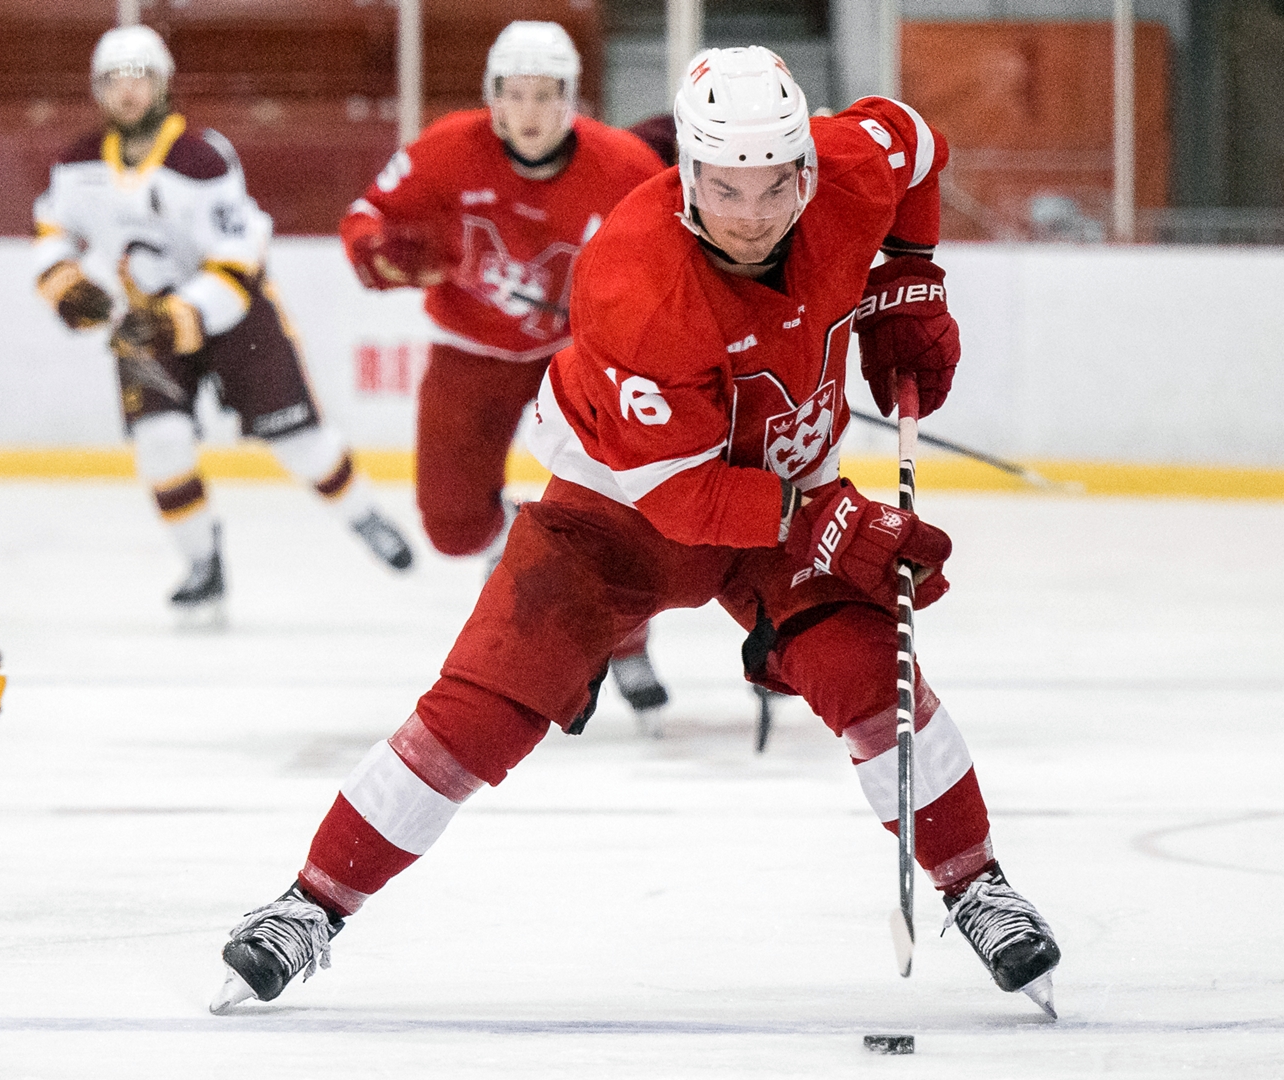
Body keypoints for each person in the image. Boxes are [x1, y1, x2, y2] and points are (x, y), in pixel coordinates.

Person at [208, 46, 1058, 1017]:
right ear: (687, 174)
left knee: (875, 674)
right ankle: (311, 903)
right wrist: (828, 523)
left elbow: (912, 141)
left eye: (775, 184)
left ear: (808, 170)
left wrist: (910, 276)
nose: (750, 213)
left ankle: (977, 881)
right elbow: (683, 500)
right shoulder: (633, 282)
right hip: (615, 515)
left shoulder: (848, 169)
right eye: (724, 188)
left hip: (785, 489)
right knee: (488, 698)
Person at [340, 21, 673, 719]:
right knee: (451, 526)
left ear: (572, 98)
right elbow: (366, 216)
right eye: (515, 94)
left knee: (621, 506)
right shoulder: (448, 149)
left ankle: (630, 639)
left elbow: (678, 258)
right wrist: (380, 252)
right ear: (493, 96)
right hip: (473, 348)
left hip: (579, 358)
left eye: (546, 94)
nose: (529, 111)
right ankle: (521, 534)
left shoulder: (623, 166)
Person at [32, 26, 415, 626]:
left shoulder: (202, 158)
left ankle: (362, 512)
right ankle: (202, 565)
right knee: (160, 444)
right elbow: (54, 236)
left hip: (233, 317)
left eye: (140, 78)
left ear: (162, 85)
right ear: (98, 90)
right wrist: (66, 286)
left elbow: (238, 263)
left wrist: (180, 316)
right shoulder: (77, 164)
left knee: (299, 443)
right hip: (143, 323)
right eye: (114, 81)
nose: (128, 92)